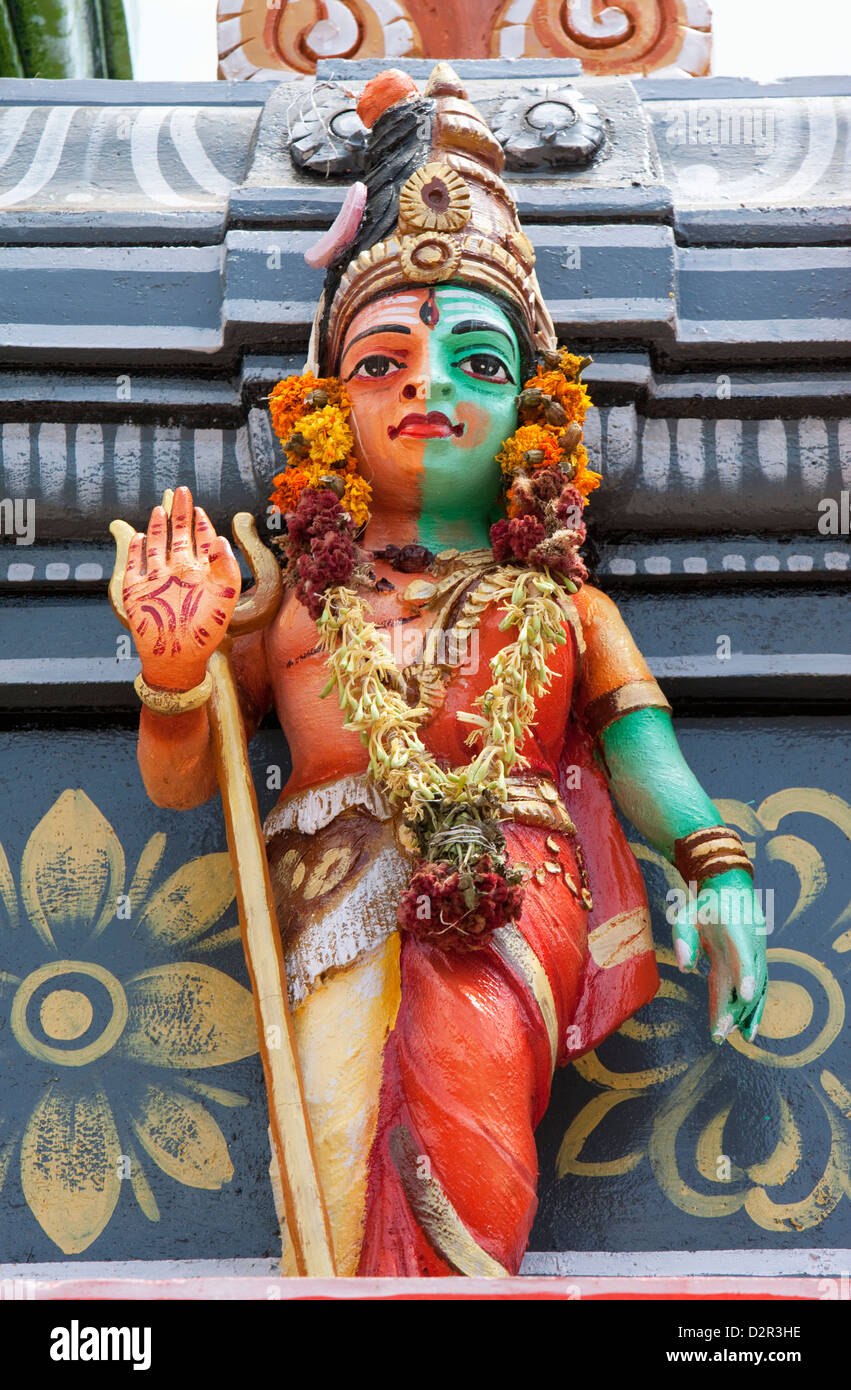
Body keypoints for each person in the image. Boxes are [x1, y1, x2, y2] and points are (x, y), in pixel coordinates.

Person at [119, 65, 767, 1277]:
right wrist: (173, 670)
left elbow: (638, 753)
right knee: (330, 1174)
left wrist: (717, 868)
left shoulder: (562, 604)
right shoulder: (288, 599)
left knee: (463, 1188)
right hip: (325, 903)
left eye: (476, 360)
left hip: (505, 903)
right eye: (382, 363)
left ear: (529, 409)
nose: (428, 384)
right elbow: (179, 783)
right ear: (328, 410)